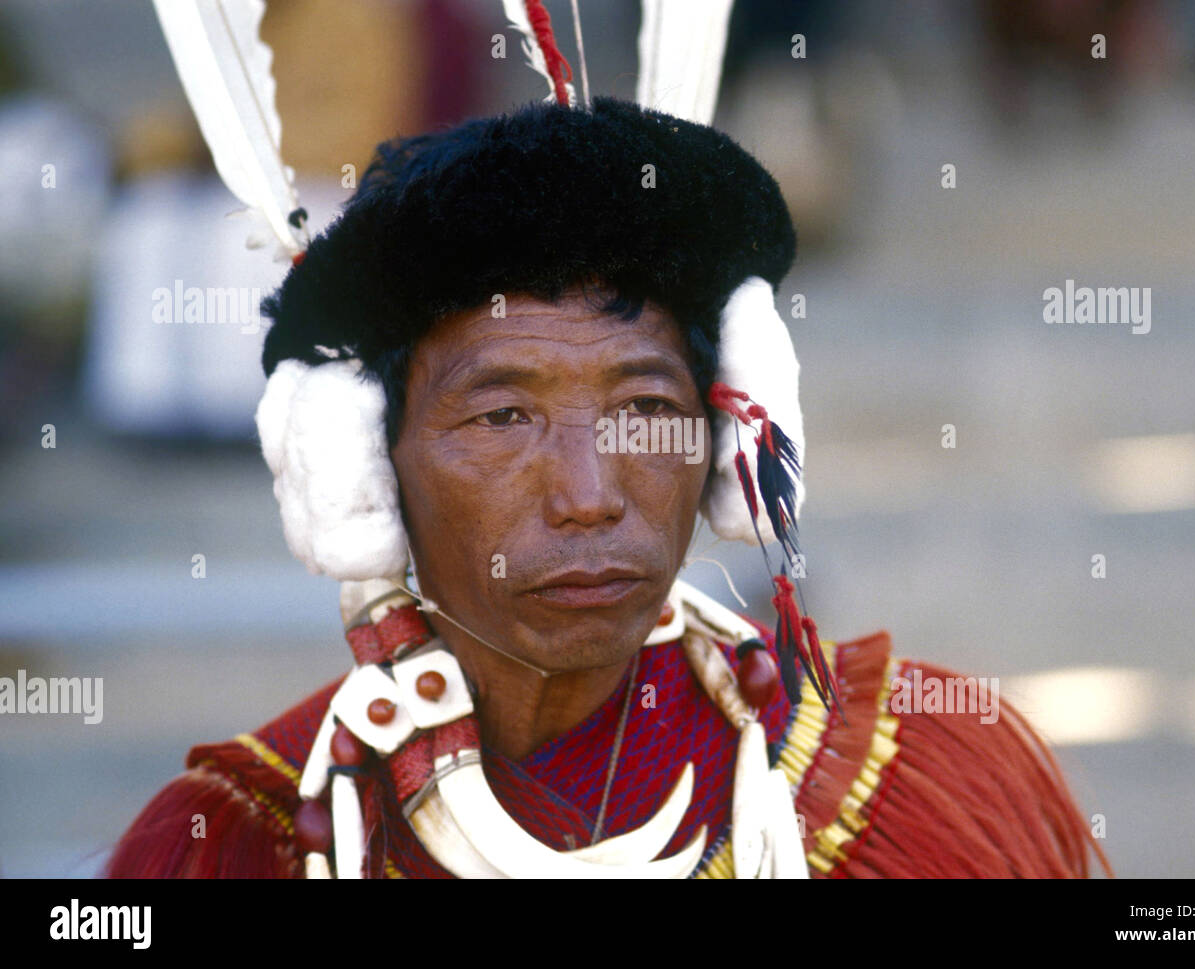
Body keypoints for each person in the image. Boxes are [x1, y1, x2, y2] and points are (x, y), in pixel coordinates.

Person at [105, 96, 1110, 879]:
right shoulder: (243, 842)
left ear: (723, 441)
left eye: (642, 411)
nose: (587, 496)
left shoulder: (910, 786)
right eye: (502, 418)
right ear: (368, 469)